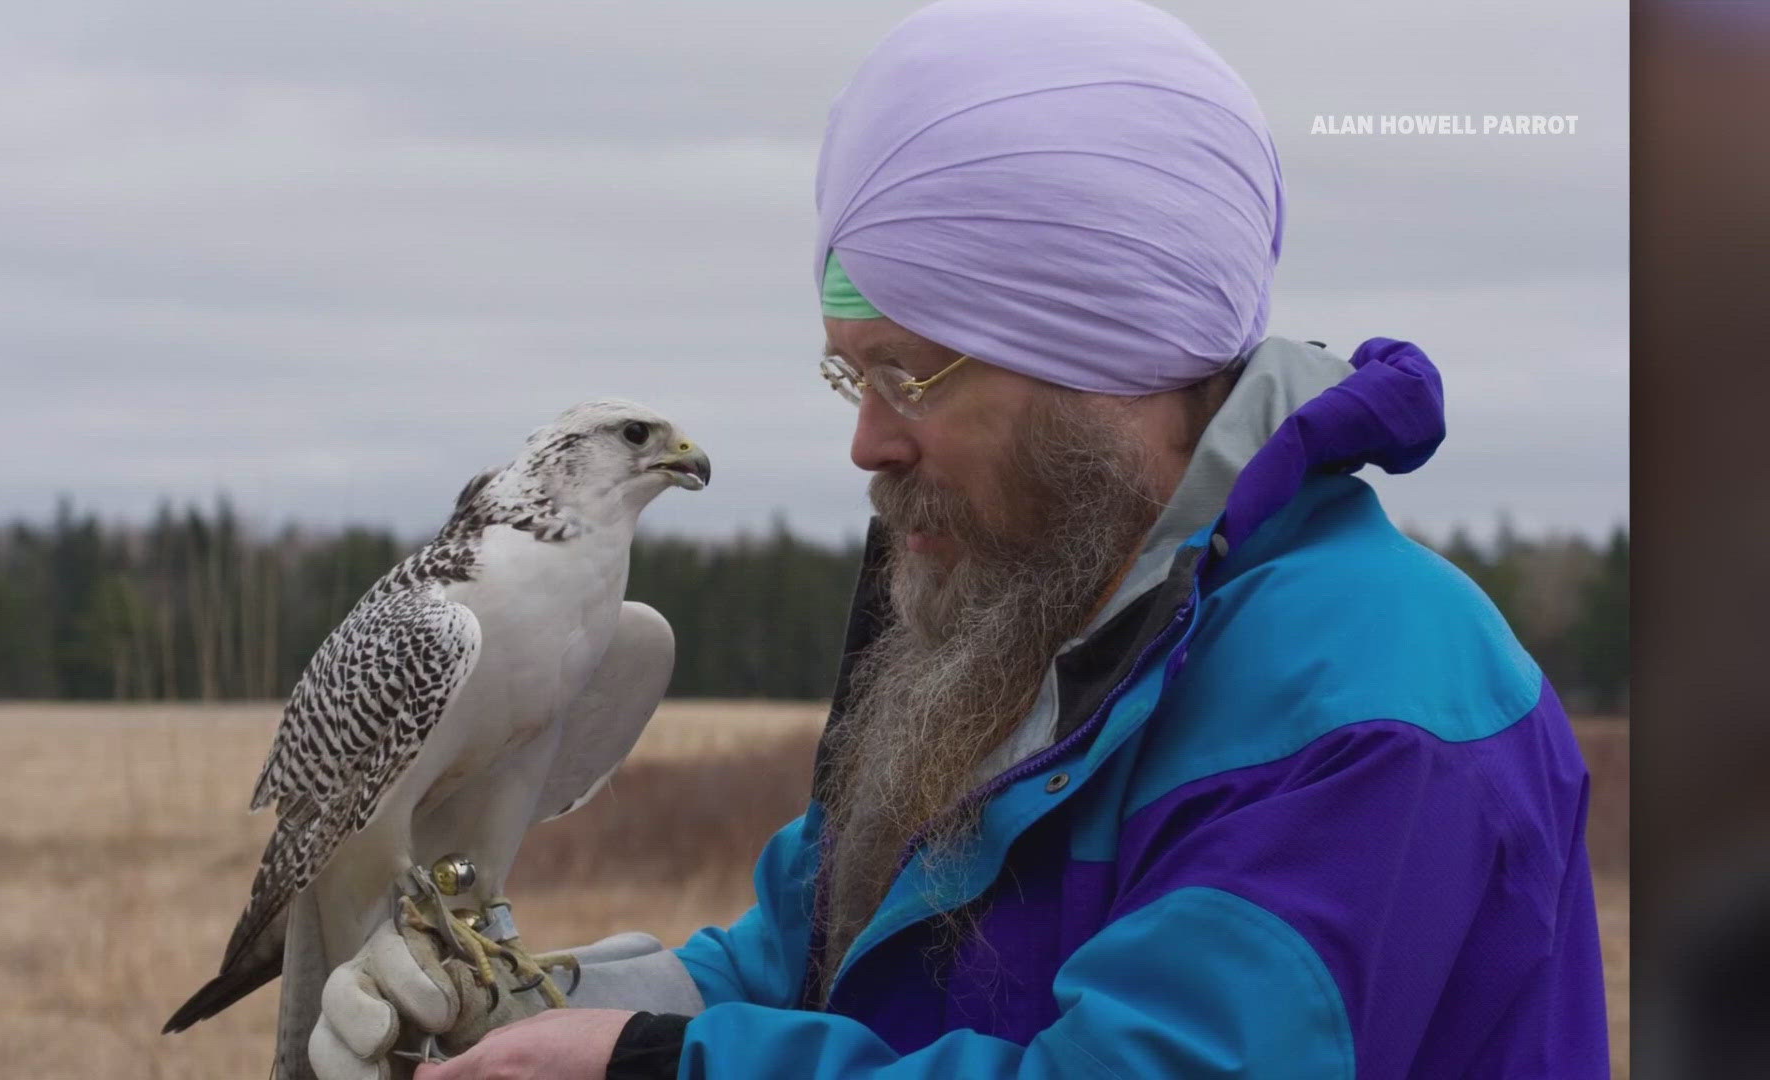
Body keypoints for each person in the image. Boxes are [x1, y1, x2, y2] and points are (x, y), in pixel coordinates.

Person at [311, 1, 1610, 1076]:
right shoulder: (1015, 629)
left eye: (913, 374)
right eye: (849, 379)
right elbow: (800, 965)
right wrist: (533, 1008)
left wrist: (650, 1070)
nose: (868, 444)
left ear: (1116, 361)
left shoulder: (1369, 708)